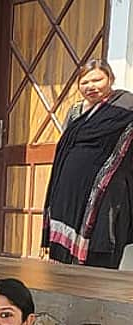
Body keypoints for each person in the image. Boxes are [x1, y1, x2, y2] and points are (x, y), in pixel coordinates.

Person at [43, 59, 133, 268]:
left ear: (110, 79)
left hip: (107, 193)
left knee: (101, 242)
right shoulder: (75, 111)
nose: (91, 86)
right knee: (63, 263)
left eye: (97, 80)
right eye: (85, 82)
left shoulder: (125, 106)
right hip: (68, 191)